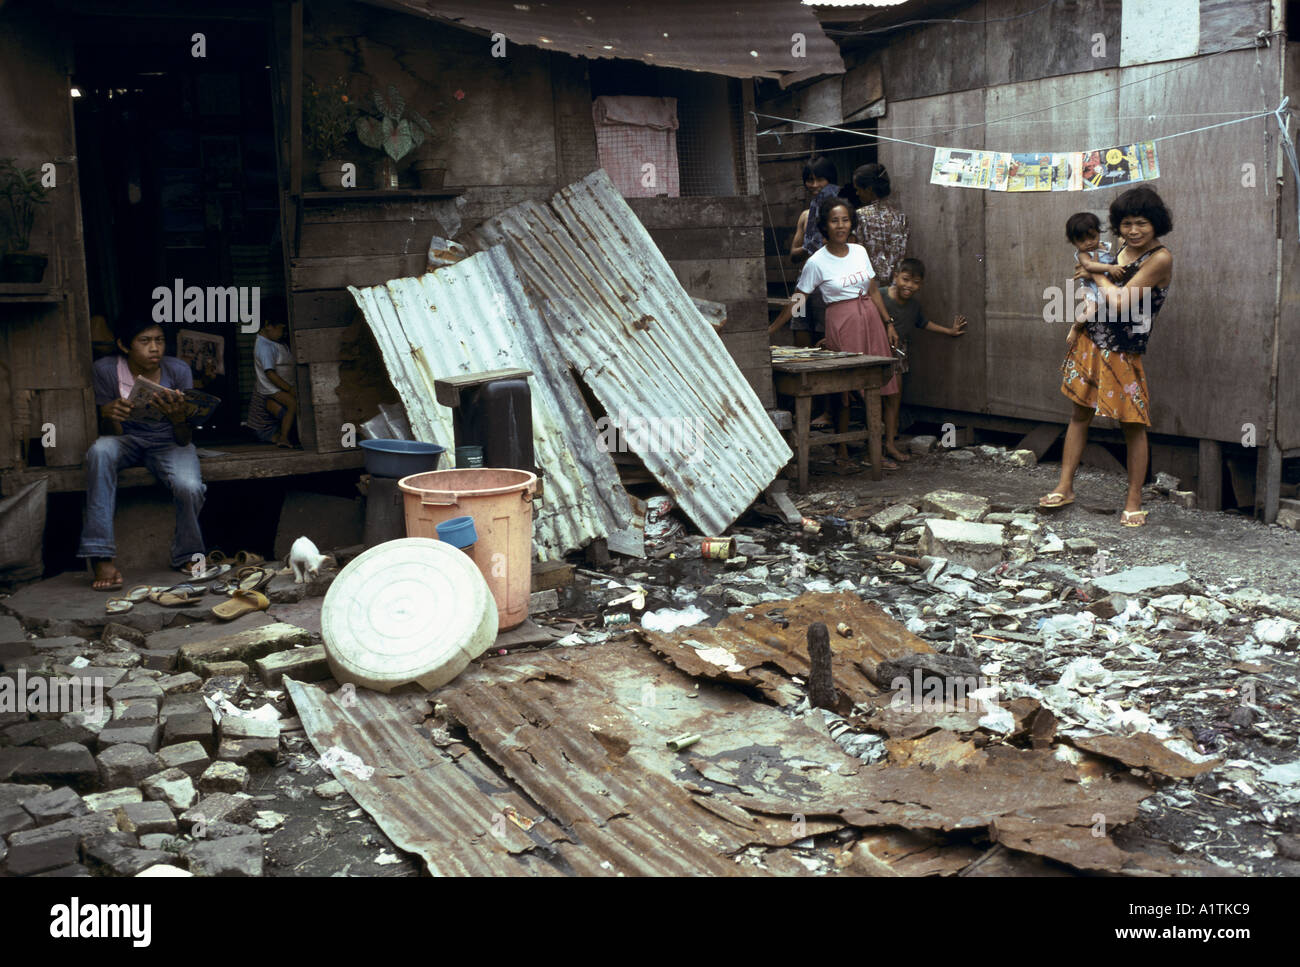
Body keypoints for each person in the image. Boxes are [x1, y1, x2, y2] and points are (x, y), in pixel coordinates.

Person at [1043, 186, 1174, 526]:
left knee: (1132, 424)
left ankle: (1133, 500)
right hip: (1093, 341)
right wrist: (1094, 274)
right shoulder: (1120, 249)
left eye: (1141, 223)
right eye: (1126, 224)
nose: (1133, 231)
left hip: (1124, 350)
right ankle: (1065, 486)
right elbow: (1093, 281)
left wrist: (1094, 274)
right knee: (1079, 414)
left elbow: (1120, 302)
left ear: (1156, 223)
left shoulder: (1159, 258)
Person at [768, 197, 900, 468]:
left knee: (879, 383)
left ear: (852, 223)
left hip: (871, 320)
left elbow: (873, 290)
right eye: (834, 220)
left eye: (845, 220)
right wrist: (771, 329)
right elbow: (799, 299)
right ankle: (841, 450)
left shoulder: (860, 251)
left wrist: (888, 323)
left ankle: (879, 448)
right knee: (846, 388)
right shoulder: (817, 262)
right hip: (841, 322)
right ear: (824, 226)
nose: (841, 226)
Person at [79, 314, 207, 590]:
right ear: (124, 346)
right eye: (145, 341)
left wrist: (177, 419)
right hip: (127, 439)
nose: (154, 348)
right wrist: (108, 413)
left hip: (168, 441)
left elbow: (184, 440)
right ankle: (100, 554)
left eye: (159, 341)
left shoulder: (178, 370)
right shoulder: (105, 370)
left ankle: (188, 553)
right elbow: (110, 433)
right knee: (99, 452)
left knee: (190, 486)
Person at [878, 258, 968, 463]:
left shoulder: (913, 306)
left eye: (915, 282)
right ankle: (874, 444)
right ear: (896, 277)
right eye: (905, 279)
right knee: (872, 399)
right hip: (874, 352)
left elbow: (923, 323)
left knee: (894, 399)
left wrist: (950, 331)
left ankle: (889, 444)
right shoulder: (881, 296)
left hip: (897, 355)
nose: (909, 286)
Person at [246, 296, 297, 448]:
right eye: (281, 328)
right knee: (293, 404)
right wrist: (289, 389)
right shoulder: (265, 347)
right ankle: (283, 437)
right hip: (272, 389)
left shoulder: (274, 343)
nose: (283, 332)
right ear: (268, 325)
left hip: (275, 390)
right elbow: (270, 373)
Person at [1064, 211, 1122, 319]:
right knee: (1091, 310)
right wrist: (1109, 268)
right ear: (1073, 242)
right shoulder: (1083, 254)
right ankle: (1076, 328)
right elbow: (1089, 266)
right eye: (1082, 240)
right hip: (1091, 287)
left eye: (1092, 237)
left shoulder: (1103, 247)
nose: (1088, 243)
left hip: (1103, 284)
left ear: (1099, 232)